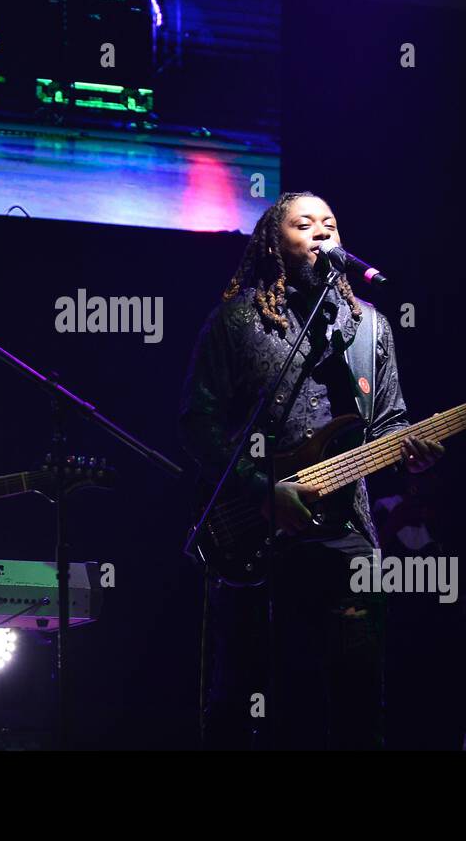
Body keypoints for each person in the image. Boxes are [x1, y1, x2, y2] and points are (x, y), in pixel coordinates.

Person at [180, 190, 442, 749]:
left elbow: (390, 422)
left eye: (331, 223)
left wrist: (411, 448)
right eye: (305, 224)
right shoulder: (238, 321)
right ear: (275, 243)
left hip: (348, 534)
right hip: (255, 533)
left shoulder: (369, 328)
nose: (323, 231)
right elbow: (196, 423)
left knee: (357, 697)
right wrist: (260, 489)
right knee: (247, 695)